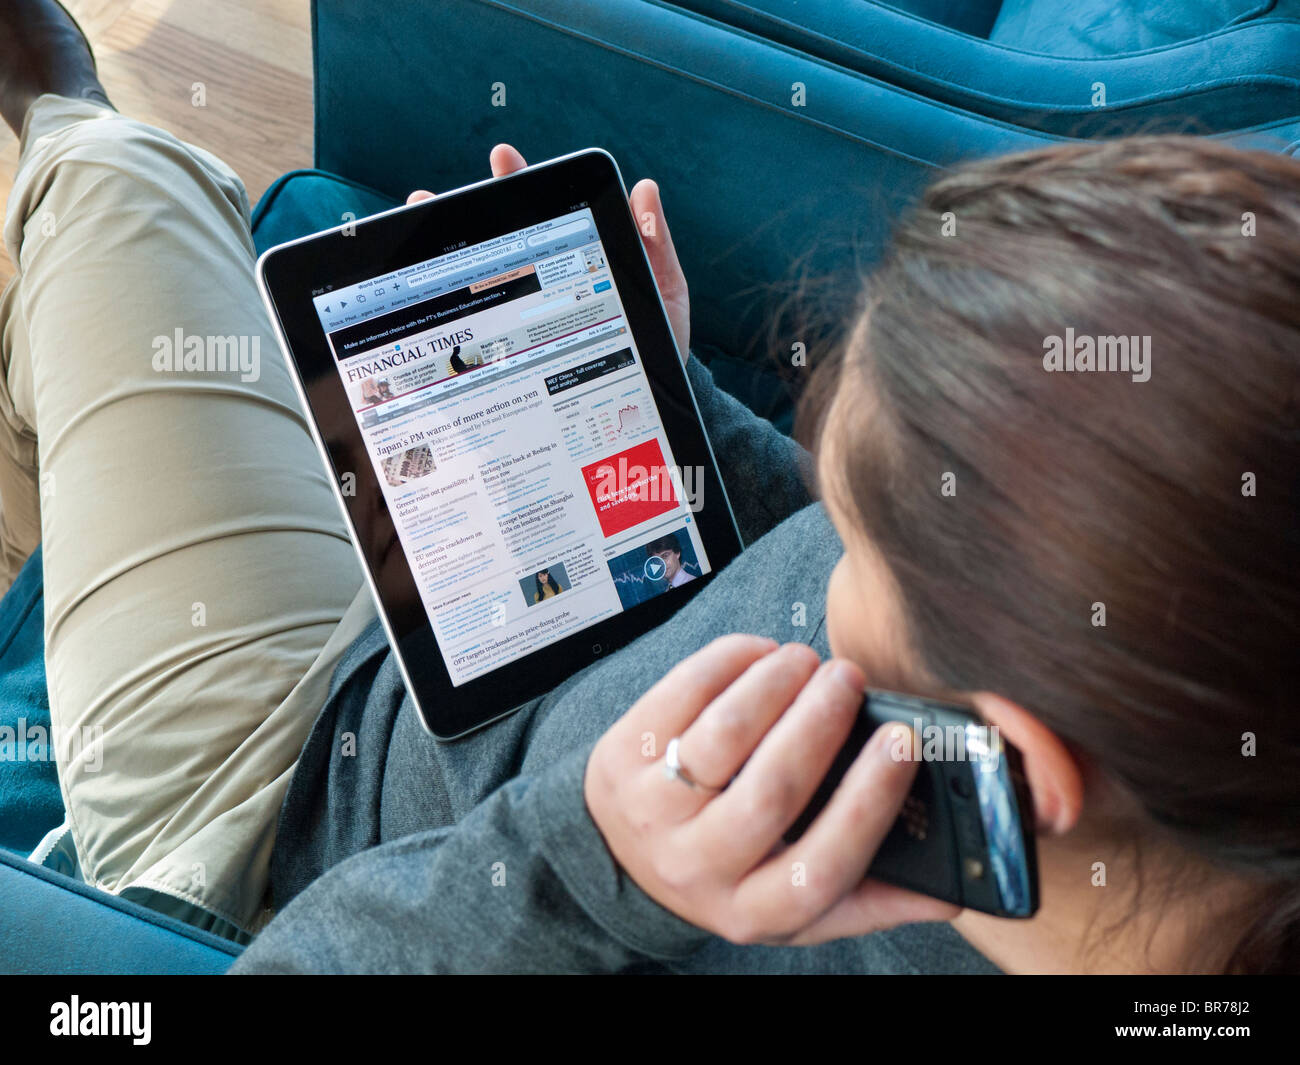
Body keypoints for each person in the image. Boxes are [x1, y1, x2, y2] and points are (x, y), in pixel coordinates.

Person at [3, 3, 1296, 974]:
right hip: (528, 599)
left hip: (280, 803)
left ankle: (52, 122)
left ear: (1014, 782)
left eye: (856, 543)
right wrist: (667, 398)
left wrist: (588, 861)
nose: (821, 559)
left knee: (121, 182)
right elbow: (851, 560)